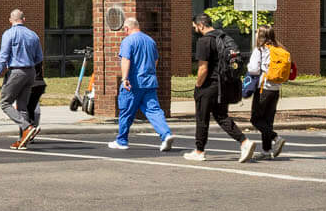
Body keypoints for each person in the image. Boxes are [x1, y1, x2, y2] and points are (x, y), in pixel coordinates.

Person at [188, 11, 256, 163]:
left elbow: (203, 68)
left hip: (209, 85)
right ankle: (245, 142)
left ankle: (199, 151)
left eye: (194, 27)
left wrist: (198, 85)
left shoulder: (204, 41)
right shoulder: (224, 37)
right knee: (221, 116)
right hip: (224, 83)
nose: (194, 31)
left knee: (201, 118)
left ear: (201, 25)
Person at [109, 14, 175, 152]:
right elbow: (155, 60)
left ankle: (121, 141)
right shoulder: (150, 41)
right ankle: (166, 134)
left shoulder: (128, 41)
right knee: (154, 110)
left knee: (126, 111)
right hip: (149, 82)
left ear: (127, 28)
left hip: (133, 83)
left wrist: (125, 78)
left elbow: (126, 59)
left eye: (124, 29)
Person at [0, 8, 47, 148]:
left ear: (10, 20)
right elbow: (39, 58)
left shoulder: (9, 34)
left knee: (5, 103)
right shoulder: (33, 35)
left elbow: (3, 55)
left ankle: (27, 127)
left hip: (16, 72)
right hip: (31, 73)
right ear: (24, 20)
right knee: (22, 106)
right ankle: (23, 139)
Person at [248, 24, 291, 161]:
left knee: (255, 119)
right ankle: (266, 151)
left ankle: (276, 138)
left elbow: (253, 69)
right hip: (276, 89)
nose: (255, 35)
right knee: (267, 120)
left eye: (257, 33)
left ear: (261, 36)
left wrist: (249, 67)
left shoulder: (260, 50)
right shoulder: (279, 49)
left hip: (263, 88)